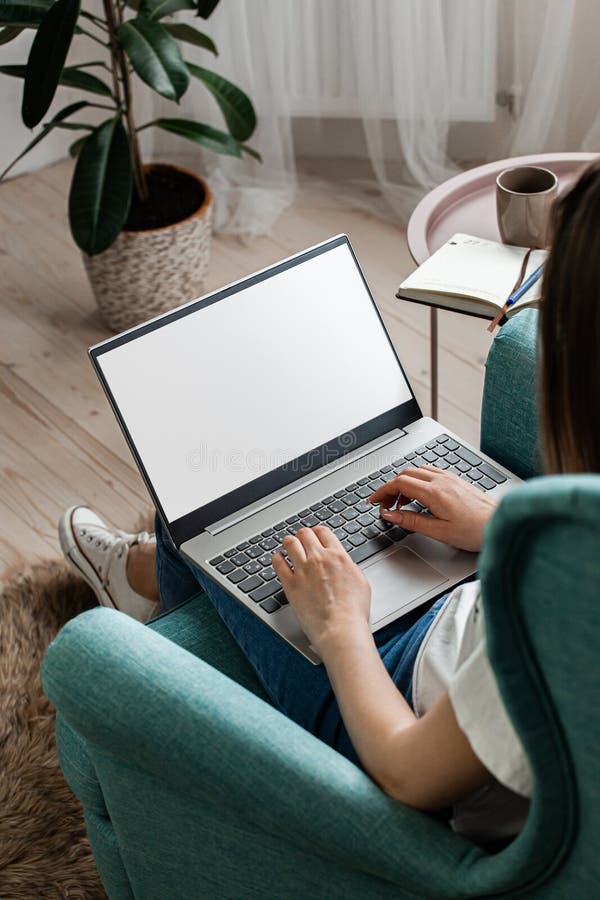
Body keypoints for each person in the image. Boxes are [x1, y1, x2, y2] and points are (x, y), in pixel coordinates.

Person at [59, 159, 600, 847]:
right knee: (259, 505)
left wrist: (339, 625)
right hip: (469, 609)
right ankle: (152, 578)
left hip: (396, 688)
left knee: (197, 515)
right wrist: (498, 527)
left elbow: (410, 772)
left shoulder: (566, 614)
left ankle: (141, 589)